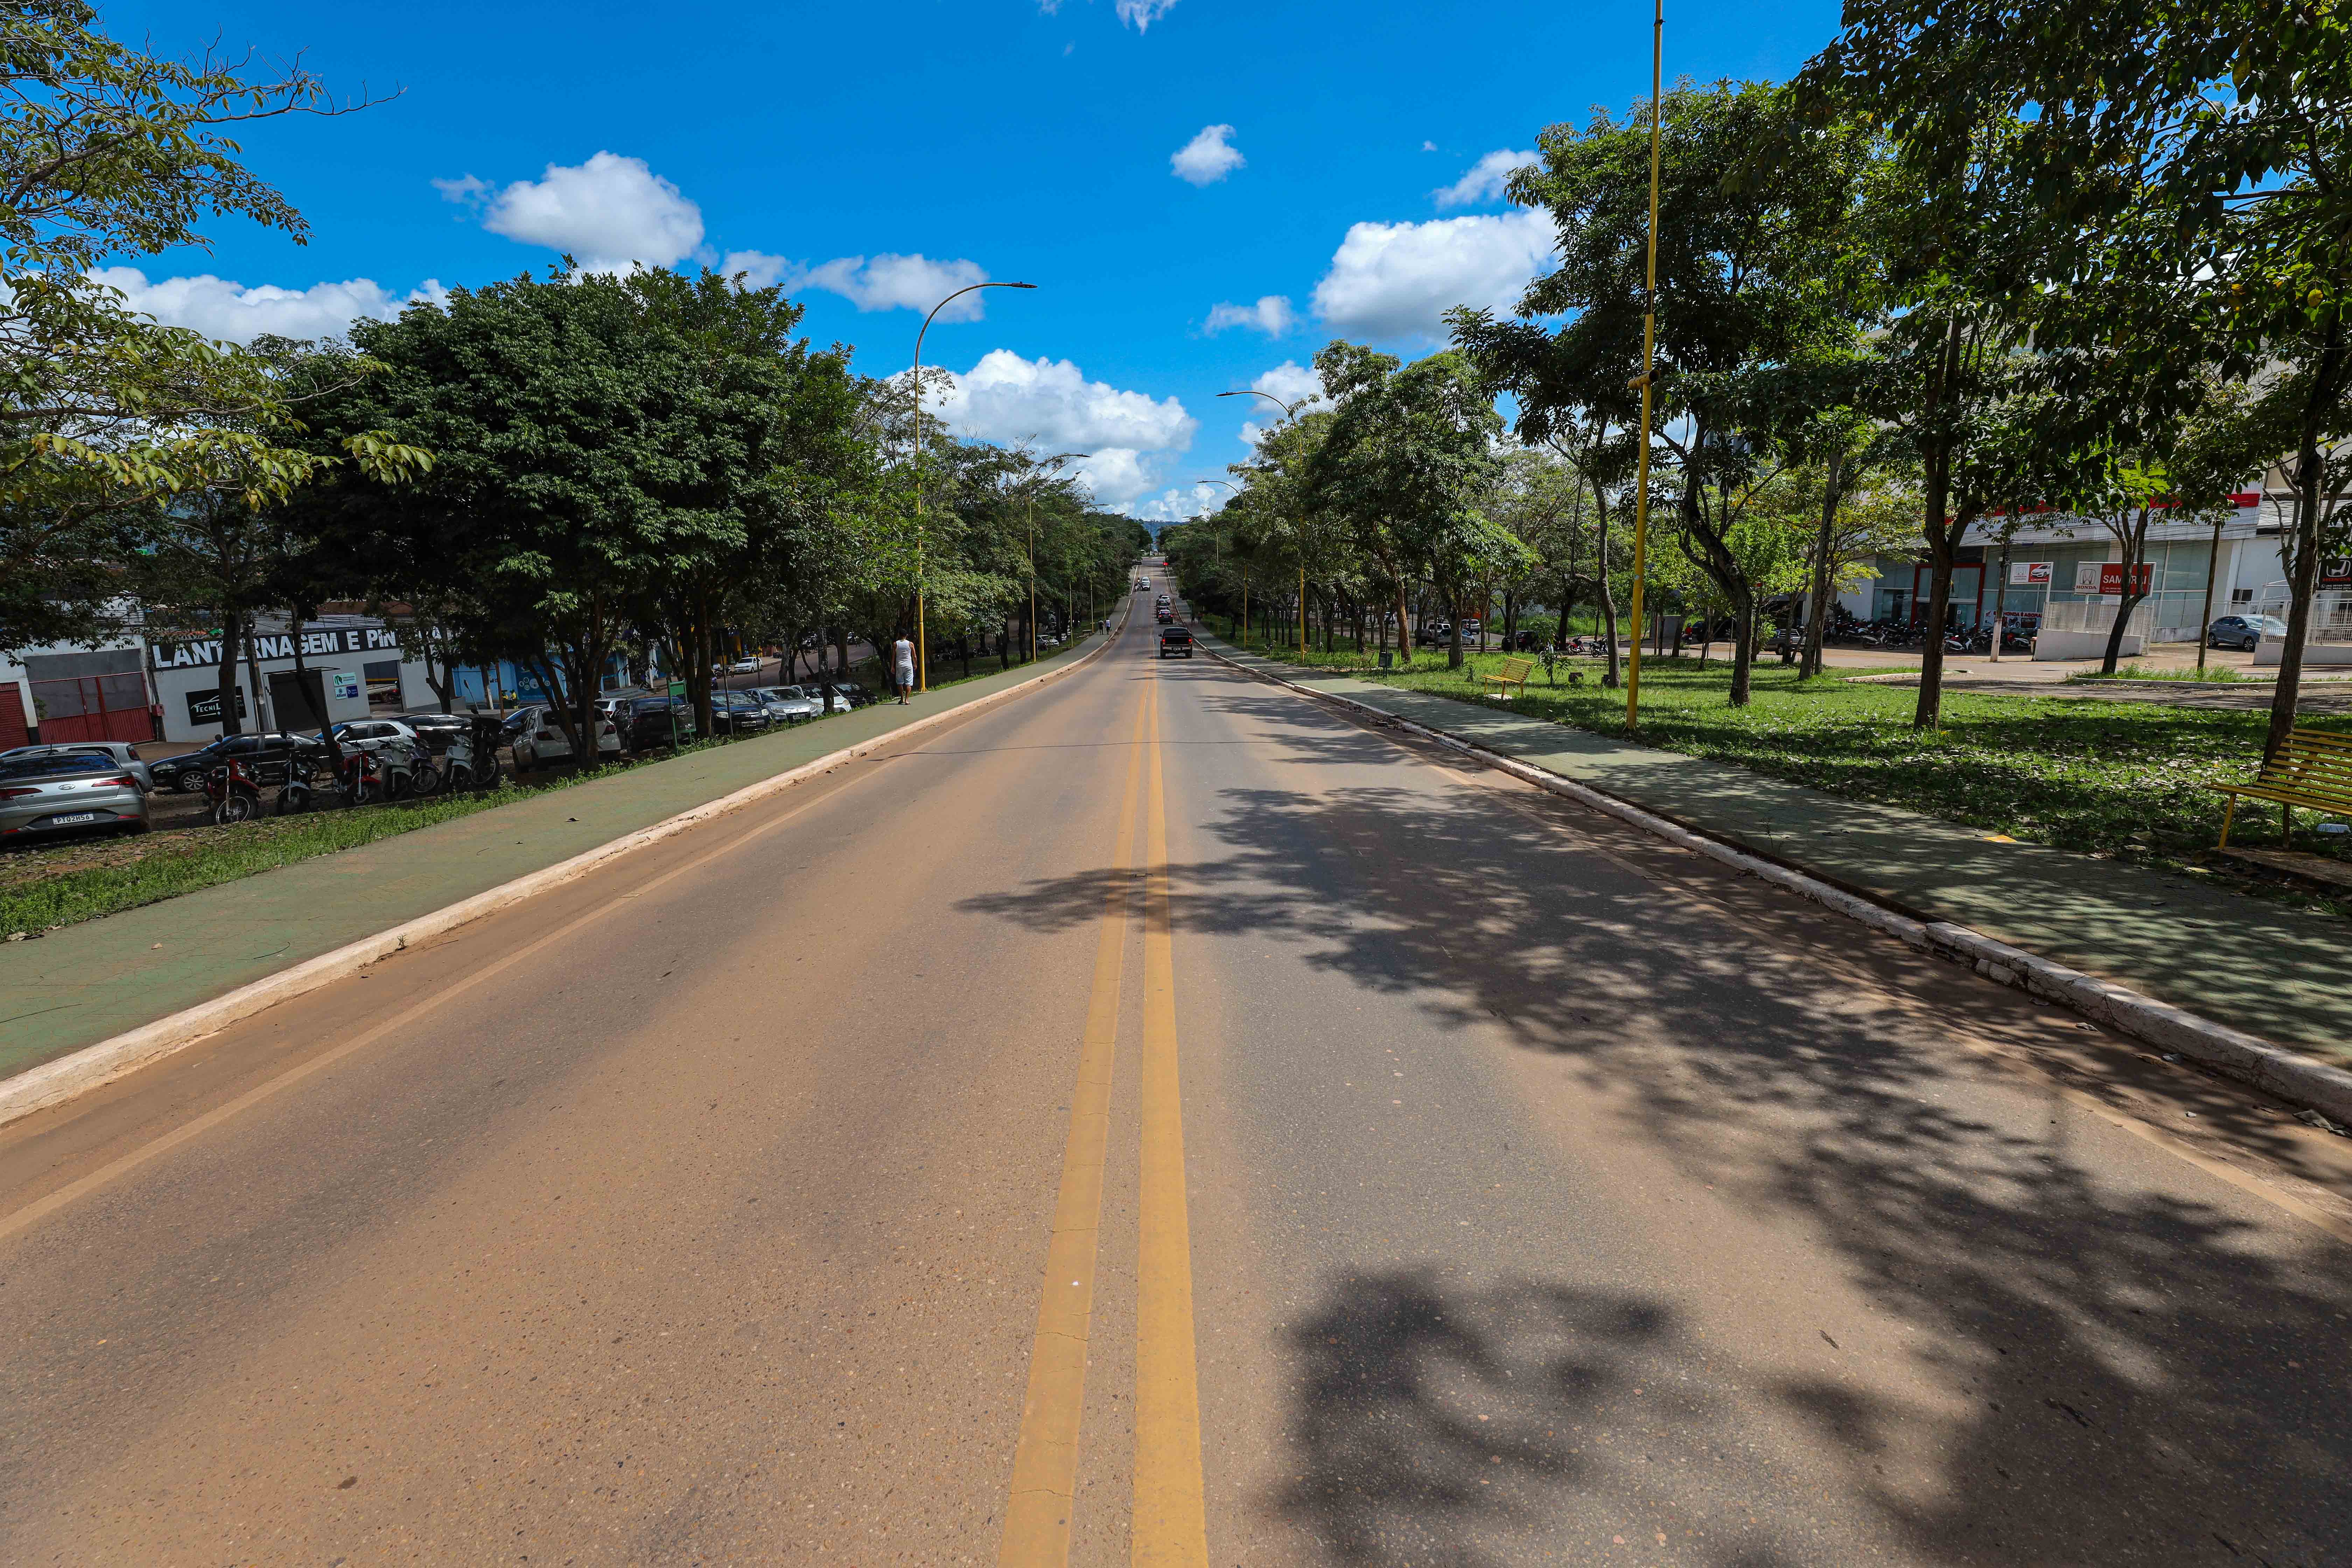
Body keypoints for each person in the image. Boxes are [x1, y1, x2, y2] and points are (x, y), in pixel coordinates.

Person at [892, 634, 916, 703]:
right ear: (907, 635)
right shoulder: (911, 644)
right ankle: (907, 700)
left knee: (900, 683)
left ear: (900, 635)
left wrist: (892, 667)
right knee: (909, 683)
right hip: (908, 665)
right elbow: (914, 656)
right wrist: (915, 664)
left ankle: (902, 699)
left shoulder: (896, 644)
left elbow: (893, 657)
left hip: (899, 666)